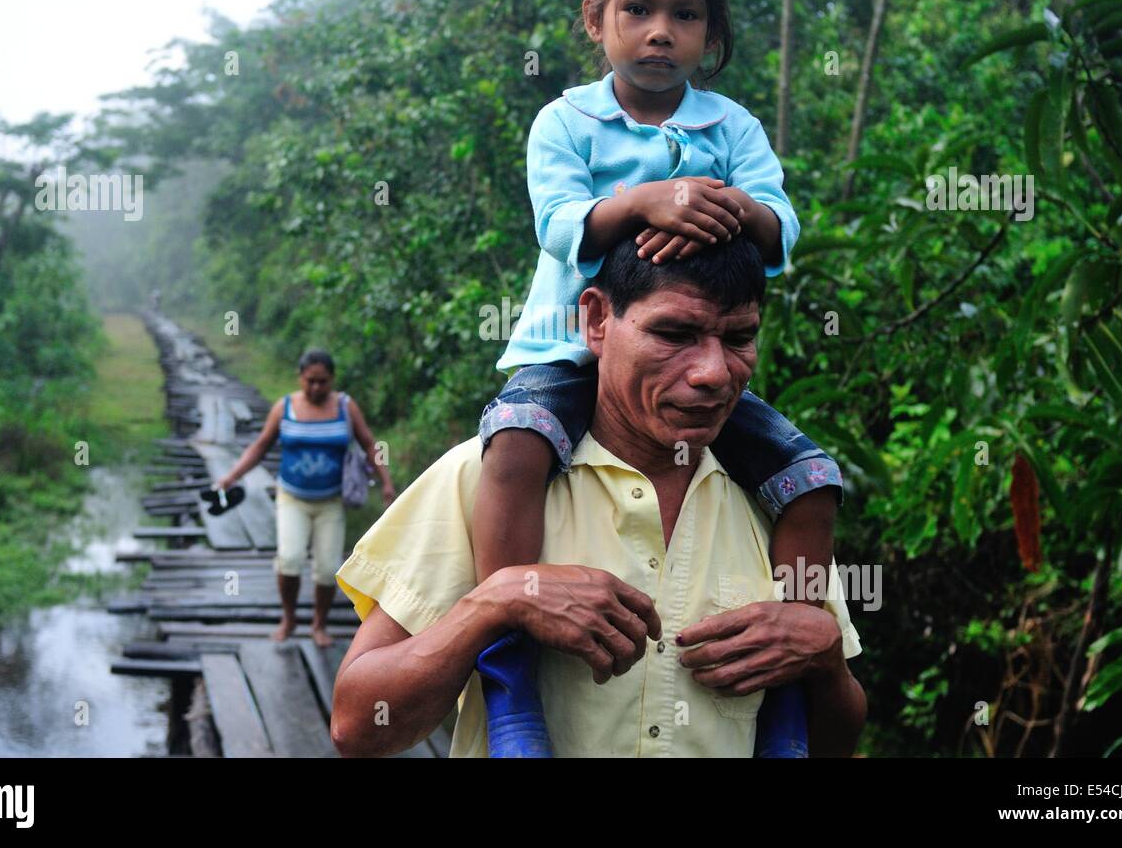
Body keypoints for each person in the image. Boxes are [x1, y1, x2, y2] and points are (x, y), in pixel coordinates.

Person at [469, 0, 843, 754]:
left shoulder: (732, 128)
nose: (660, 32)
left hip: (683, 359)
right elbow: (561, 224)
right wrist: (642, 203)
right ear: (596, 19)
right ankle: (509, 669)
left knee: (810, 478)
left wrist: (734, 206)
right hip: (567, 351)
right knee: (517, 450)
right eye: (637, 10)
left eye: (685, 14)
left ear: (712, 32)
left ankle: (788, 673)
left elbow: (781, 229)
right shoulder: (565, 121)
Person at [331, 231, 865, 757]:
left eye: (738, 338)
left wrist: (825, 661)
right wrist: (499, 602)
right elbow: (358, 726)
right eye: (674, 334)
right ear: (596, 320)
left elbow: (832, 742)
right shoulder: (486, 476)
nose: (713, 373)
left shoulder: (780, 503)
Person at [215, 348, 396, 646]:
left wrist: (386, 482)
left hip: (330, 502)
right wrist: (231, 477)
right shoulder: (284, 407)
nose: (315, 388)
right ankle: (288, 618)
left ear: (332, 379)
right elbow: (260, 446)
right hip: (292, 499)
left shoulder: (345, 407)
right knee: (289, 558)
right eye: (310, 381)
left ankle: (319, 624)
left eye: (322, 381)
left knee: (327, 568)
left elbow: (369, 444)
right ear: (300, 378)